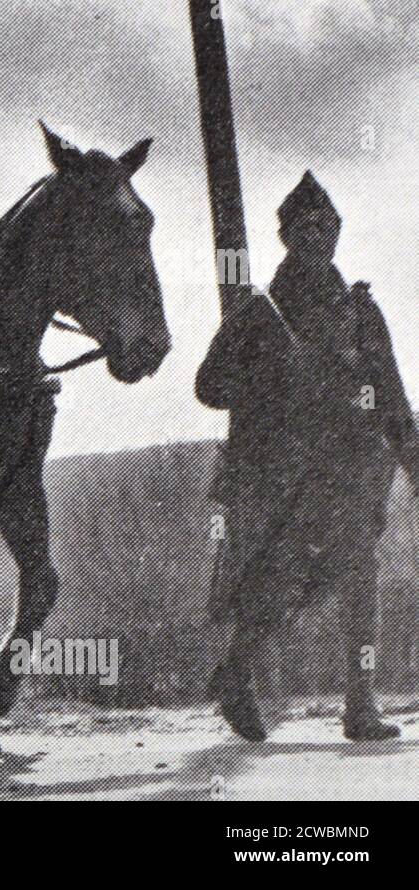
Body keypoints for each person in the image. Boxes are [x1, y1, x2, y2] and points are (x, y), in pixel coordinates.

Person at [198, 172, 419, 742]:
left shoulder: (358, 311)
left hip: (348, 475)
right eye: (306, 229)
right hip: (280, 480)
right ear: (287, 237)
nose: (318, 239)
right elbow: (209, 386)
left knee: (358, 581)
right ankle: (238, 672)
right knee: (279, 582)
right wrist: (263, 369)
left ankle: (359, 701)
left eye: (327, 228)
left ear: (338, 235)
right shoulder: (258, 310)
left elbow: (390, 394)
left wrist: (415, 463)